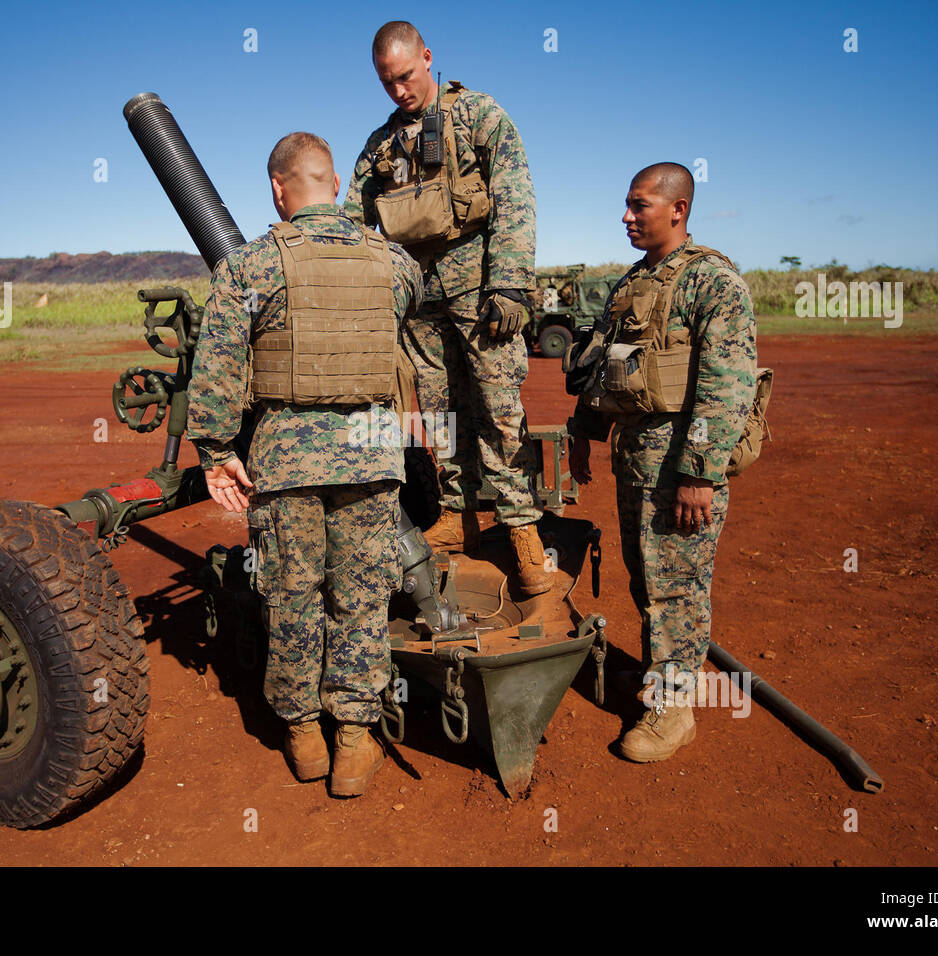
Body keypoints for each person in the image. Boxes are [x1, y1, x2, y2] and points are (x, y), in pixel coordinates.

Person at [186, 132, 423, 797]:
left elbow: (218, 370)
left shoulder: (251, 266)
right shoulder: (396, 263)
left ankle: (302, 733)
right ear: (338, 188)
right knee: (361, 595)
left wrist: (215, 452)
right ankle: (354, 741)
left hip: (286, 462)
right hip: (372, 457)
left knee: (291, 595)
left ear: (277, 188)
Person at [344, 20, 551, 595]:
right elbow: (355, 224)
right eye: (387, 83)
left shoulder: (478, 115)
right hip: (419, 306)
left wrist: (509, 284)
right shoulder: (380, 146)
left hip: (481, 295)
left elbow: (516, 196)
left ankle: (522, 533)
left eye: (406, 77)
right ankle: (459, 521)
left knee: (498, 412)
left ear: (427, 57)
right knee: (440, 420)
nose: (399, 91)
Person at [567, 162, 757, 762]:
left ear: (678, 209)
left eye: (639, 205)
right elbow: (608, 367)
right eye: (627, 205)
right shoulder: (632, 285)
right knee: (648, 580)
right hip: (635, 463)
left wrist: (699, 472)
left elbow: (726, 386)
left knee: (676, 588)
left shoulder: (713, 283)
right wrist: (583, 431)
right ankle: (661, 678)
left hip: (679, 468)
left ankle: (672, 712)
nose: (626, 216)